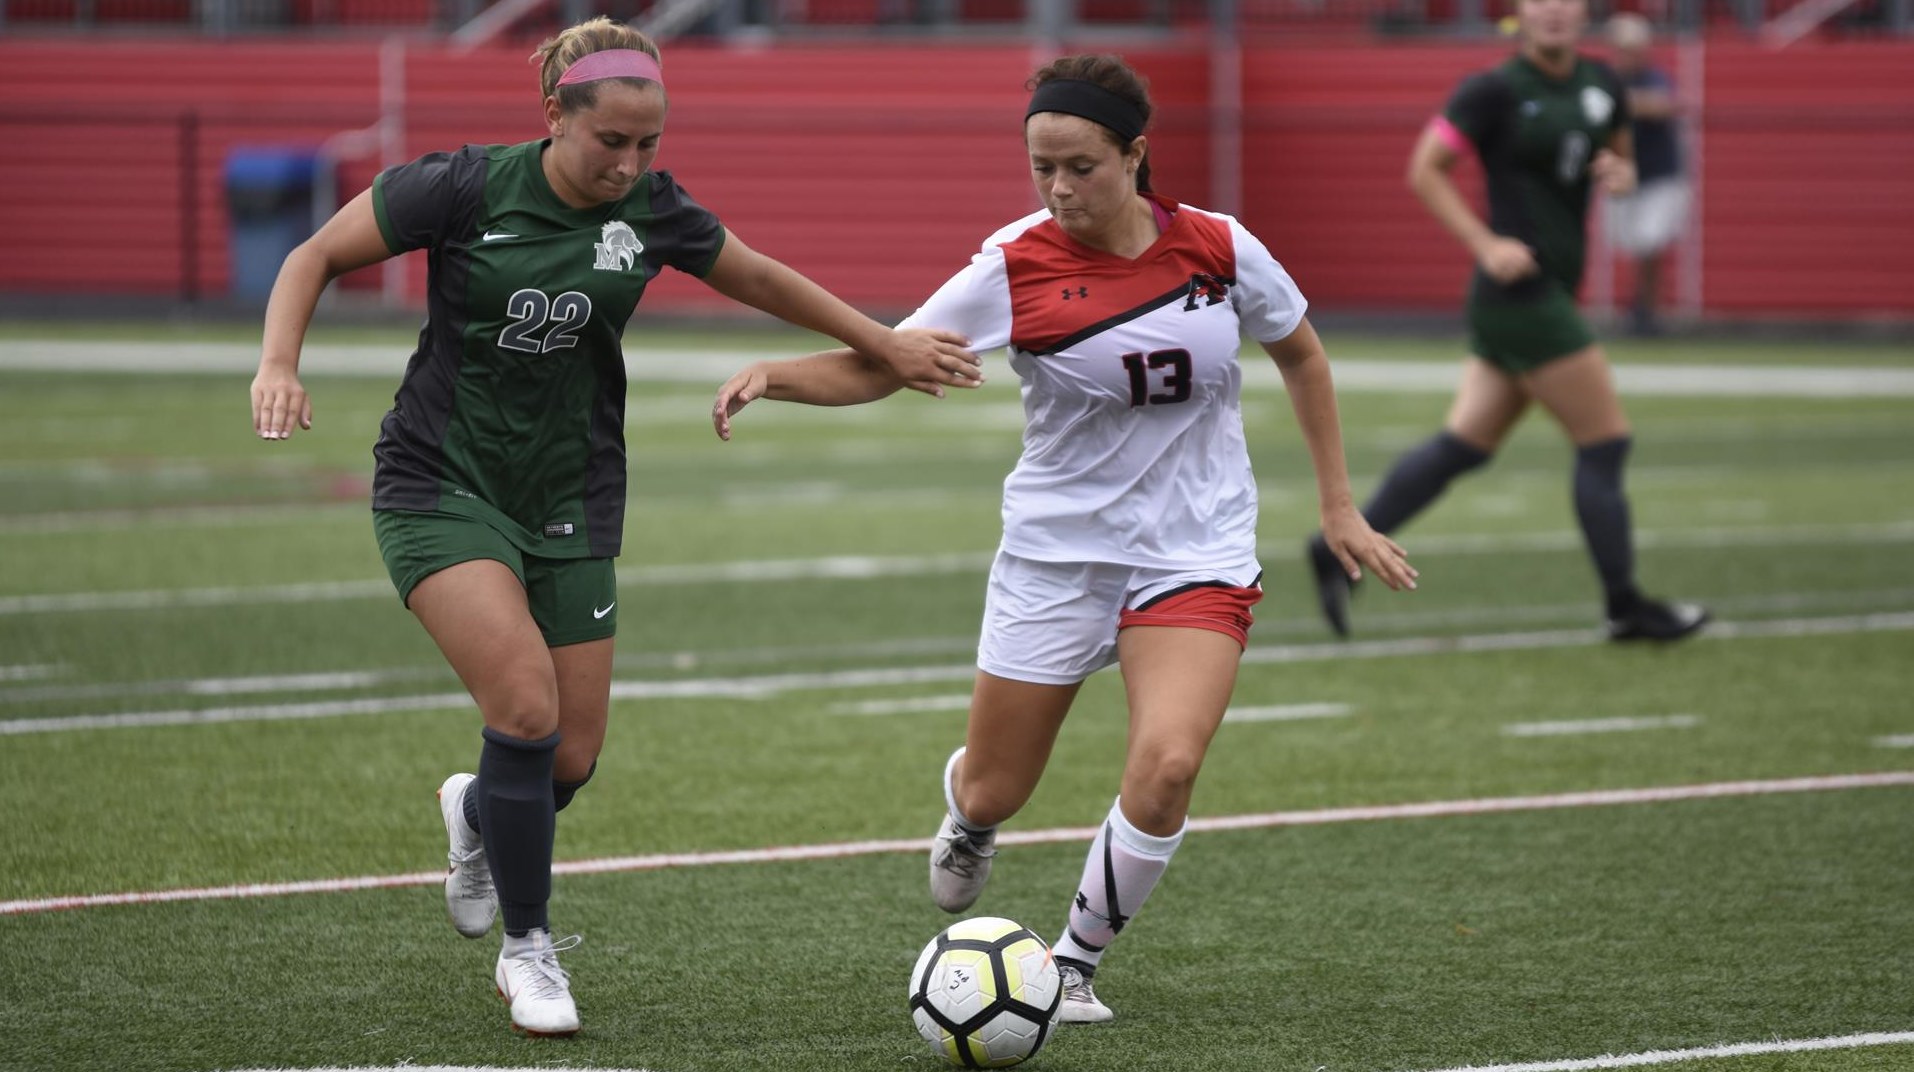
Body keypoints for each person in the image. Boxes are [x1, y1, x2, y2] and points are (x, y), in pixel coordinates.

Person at [247, 17, 979, 1038]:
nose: (629, 165)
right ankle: (528, 950)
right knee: (525, 704)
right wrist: (279, 363)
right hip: (439, 481)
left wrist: (885, 342)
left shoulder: (652, 208)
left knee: (570, 758)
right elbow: (314, 254)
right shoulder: (462, 187)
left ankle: (475, 815)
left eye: (649, 146)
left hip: (572, 493)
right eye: (611, 144)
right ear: (555, 115)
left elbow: (759, 274)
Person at [711, 54, 1416, 1024]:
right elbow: (886, 361)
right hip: (1056, 557)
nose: (1058, 187)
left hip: (1193, 553)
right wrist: (773, 375)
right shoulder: (1014, 262)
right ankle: (966, 815)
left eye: (1081, 165)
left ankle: (1073, 961)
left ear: (1136, 155)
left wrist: (1339, 505)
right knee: (1001, 785)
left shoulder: (1220, 248)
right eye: (1041, 165)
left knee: (1168, 762)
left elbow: (1300, 352)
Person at [1305, 0, 1708, 644]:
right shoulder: (1492, 89)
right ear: (1519, 14)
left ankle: (1332, 552)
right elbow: (1424, 169)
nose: (1552, 12)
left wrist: (1622, 174)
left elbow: (1623, 160)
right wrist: (1485, 243)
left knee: (1462, 448)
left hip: (1546, 296)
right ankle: (1625, 605)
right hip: (1522, 296)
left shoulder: (1603, 84)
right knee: (1606, 443)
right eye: (1537, 2)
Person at [1601, 12, 1689, 337]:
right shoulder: (1610, 80)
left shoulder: (1653, 78)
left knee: (1650, 242)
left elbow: (1662, 104)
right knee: (1629, 244)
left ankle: (1645, 309)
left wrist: (1622, 104)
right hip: (1624, 176)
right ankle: (1639, 307)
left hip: (1658, 176)